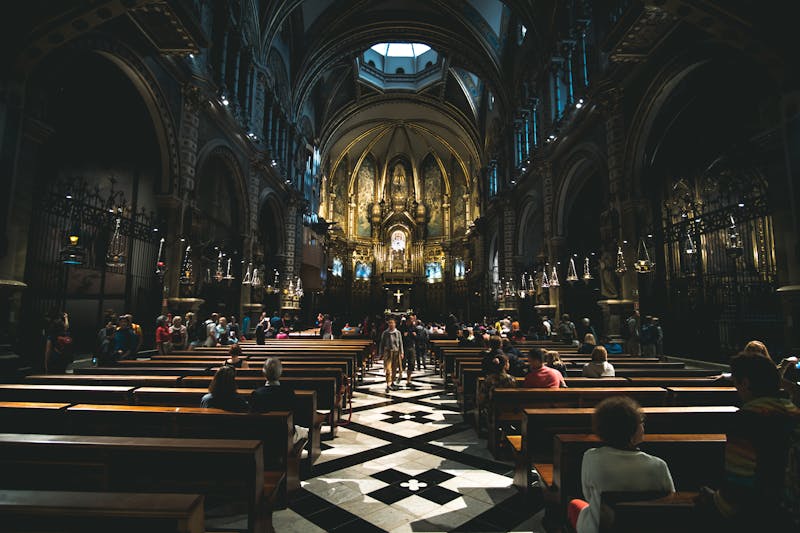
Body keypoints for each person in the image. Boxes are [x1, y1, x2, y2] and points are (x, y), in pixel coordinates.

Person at [696, 352, 800, 530]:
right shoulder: (794, 414)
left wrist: (714, 500)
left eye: (736, 383)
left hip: (762, 515)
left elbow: (738, 486)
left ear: (745, 383)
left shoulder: (745, 420)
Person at [570, 396, 675, 533]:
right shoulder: (658, 465)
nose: (643, 426)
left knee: (575, 504)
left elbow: (588, 496)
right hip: (646, 527)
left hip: (603, 527)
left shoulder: (591, 458)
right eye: (641, 422)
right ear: (633, 431)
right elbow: (669, 501)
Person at [250, 358, 309, 444]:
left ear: (264, 373)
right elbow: (296, 415)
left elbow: (253, 417)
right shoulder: (288, 393)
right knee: (305, 432)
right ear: (280, 373)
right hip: (286, 434)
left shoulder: (256, 394)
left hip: (263, 435)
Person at [379, 317, 404, 392]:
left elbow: (400, 343)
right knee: (388, 369)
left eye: (392, 323)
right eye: (390, 323)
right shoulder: (385, 333)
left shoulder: (398, 333)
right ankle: (388, 383)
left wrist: (402, 352)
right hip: (388, 352)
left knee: (394, 368)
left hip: (396, 352)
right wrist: (381, 353)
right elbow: (382, 343)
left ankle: (392, 382)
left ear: (395, 324)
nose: (391, 324)